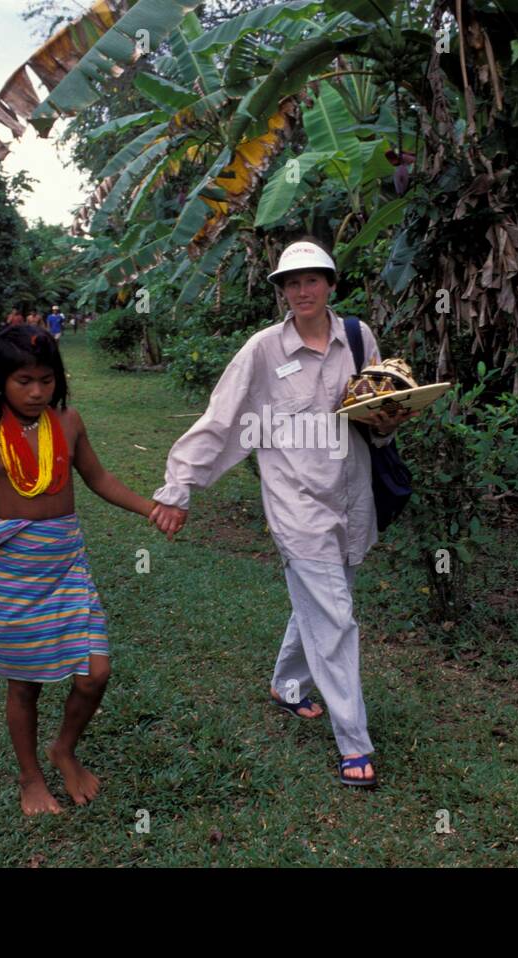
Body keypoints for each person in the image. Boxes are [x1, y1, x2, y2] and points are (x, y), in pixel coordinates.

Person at [148, 237, 416, 788]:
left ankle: (286, 684)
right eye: (291, 283)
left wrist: (390, 422)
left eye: (312, 279)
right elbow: (222, 422)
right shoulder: (263, 351)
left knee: (321, 600)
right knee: (335, 616)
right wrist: (179, 486)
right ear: (281, 292)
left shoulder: (359, 340)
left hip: (351, 496)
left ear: (331, 284)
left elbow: (375, 414)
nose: (302, 291)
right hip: (296, 505)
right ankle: (354, 745)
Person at [0, 326, 158, 816]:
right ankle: (30, 777)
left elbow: (98, 479)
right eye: (24, 381)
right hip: (16, 573)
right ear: (0, 381)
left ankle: (63, 749)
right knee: (24, 683)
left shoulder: (69, 422)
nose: (37, 392)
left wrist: (151, 508)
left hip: (67, 565)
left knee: (95, 673)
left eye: (46, 379)